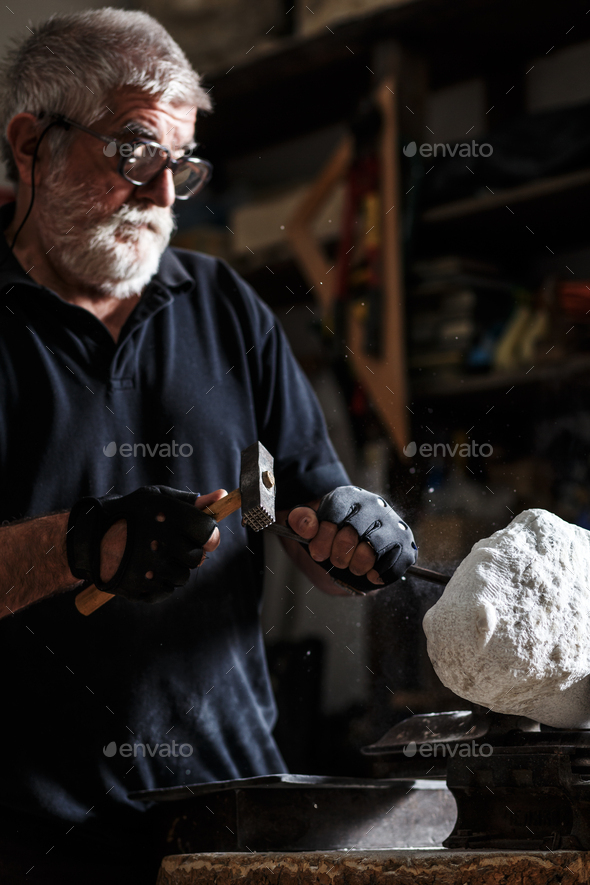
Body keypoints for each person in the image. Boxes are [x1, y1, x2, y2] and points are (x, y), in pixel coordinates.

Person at [0, 9, 415, 884]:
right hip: (29, 837)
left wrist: (351, 533)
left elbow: (310, 525)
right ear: (30, 143)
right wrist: (82, 544)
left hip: (229, 820)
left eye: (180, 168)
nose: (160, 197)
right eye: (134, 153)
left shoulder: (226, 306)